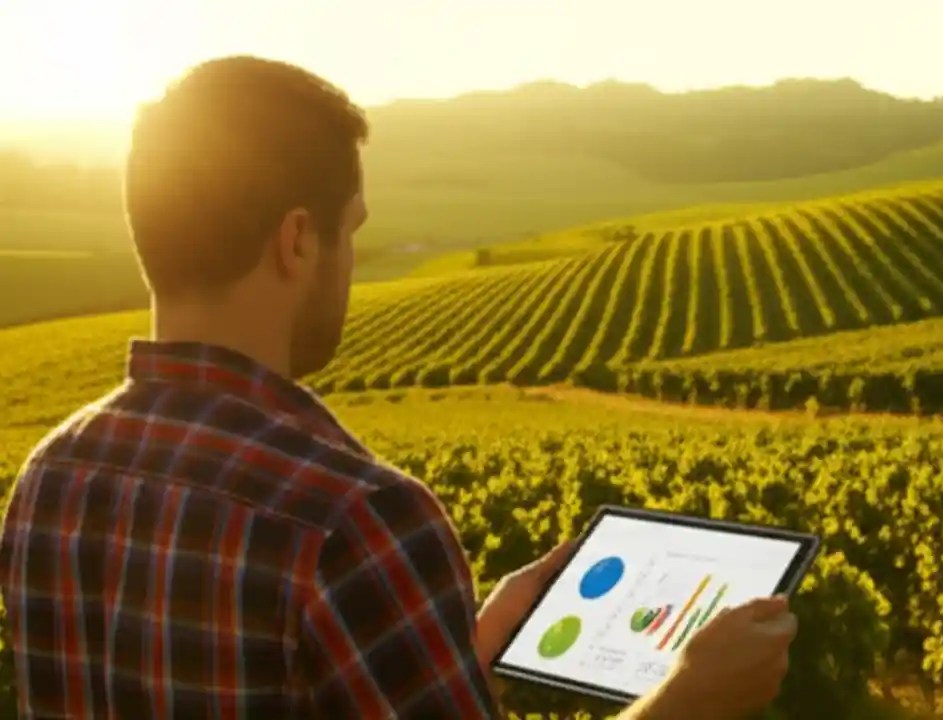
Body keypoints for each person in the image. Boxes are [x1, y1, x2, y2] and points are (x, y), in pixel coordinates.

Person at [0, 56, 798, 718]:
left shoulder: (51, 479)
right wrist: (686, 700)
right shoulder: (353, 519)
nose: (351, 259)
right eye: (351, 230)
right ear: (297, 240)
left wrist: (466, 653)